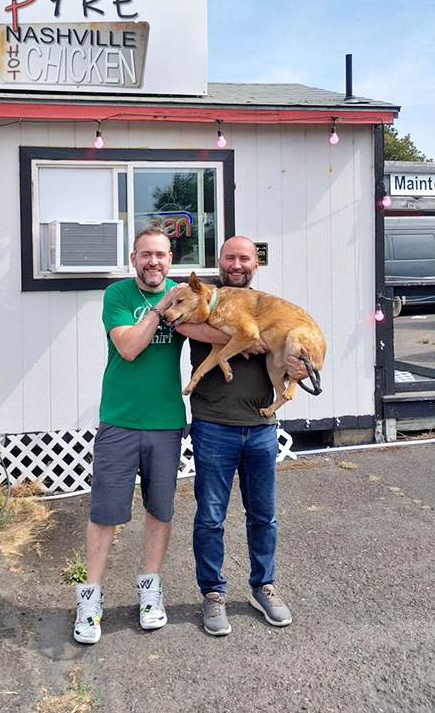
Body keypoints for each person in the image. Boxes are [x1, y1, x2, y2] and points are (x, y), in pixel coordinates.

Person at [175, 235, 307, 637]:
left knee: (263, 516)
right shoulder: (197, 301)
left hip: (262, 427)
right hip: (214, 423)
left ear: (255, 264)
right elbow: (183, 324)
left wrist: (299, 366)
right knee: (211, 517)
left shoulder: (267, 306)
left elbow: (289, 349)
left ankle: (263, 586)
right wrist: (244, 337)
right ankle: (212, 594)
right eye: (230, 257)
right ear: (219, 261)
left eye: (245, 258)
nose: (237, 264)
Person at [73, 226, 186, 645]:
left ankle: (150, 592)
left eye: (160, 254)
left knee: (160, 510)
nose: (153, 262)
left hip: (166, 420)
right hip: (119, 420)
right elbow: (129, 348)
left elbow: (212, 331)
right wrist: (160, 310)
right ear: (133, 258)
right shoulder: (118, 296)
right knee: (105, 513)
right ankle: (90, 600)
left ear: (170, 259)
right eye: (145, 255)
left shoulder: (183, 293)